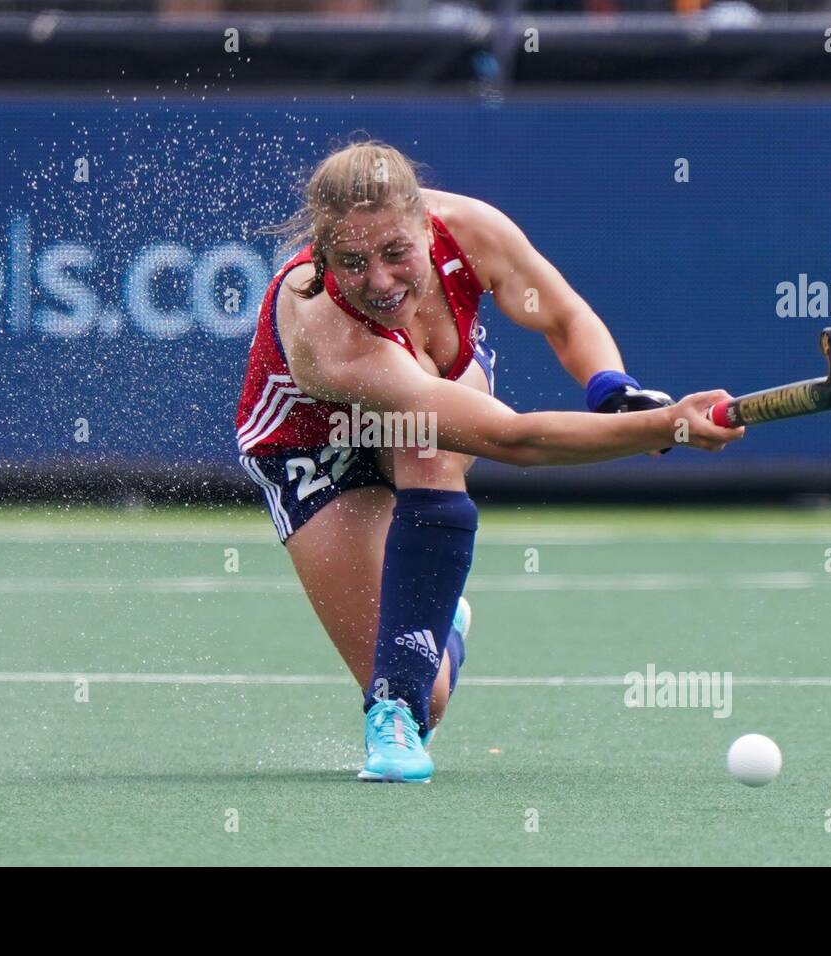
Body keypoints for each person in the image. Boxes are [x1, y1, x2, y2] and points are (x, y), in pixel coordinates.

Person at [234, 139, 743, 783]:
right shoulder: (329, 331)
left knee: (425, 442)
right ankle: (435, 622)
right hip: (311, 448)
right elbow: (512, 441)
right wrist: (661, 426)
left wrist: (614, 390)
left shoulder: (473, 229)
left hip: (425, 402)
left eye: (396, 253)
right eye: (352, 263)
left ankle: (390, 710)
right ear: (324, 256)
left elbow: (563, 316)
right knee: (435, 689)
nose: (381, 281)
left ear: (426, 221)